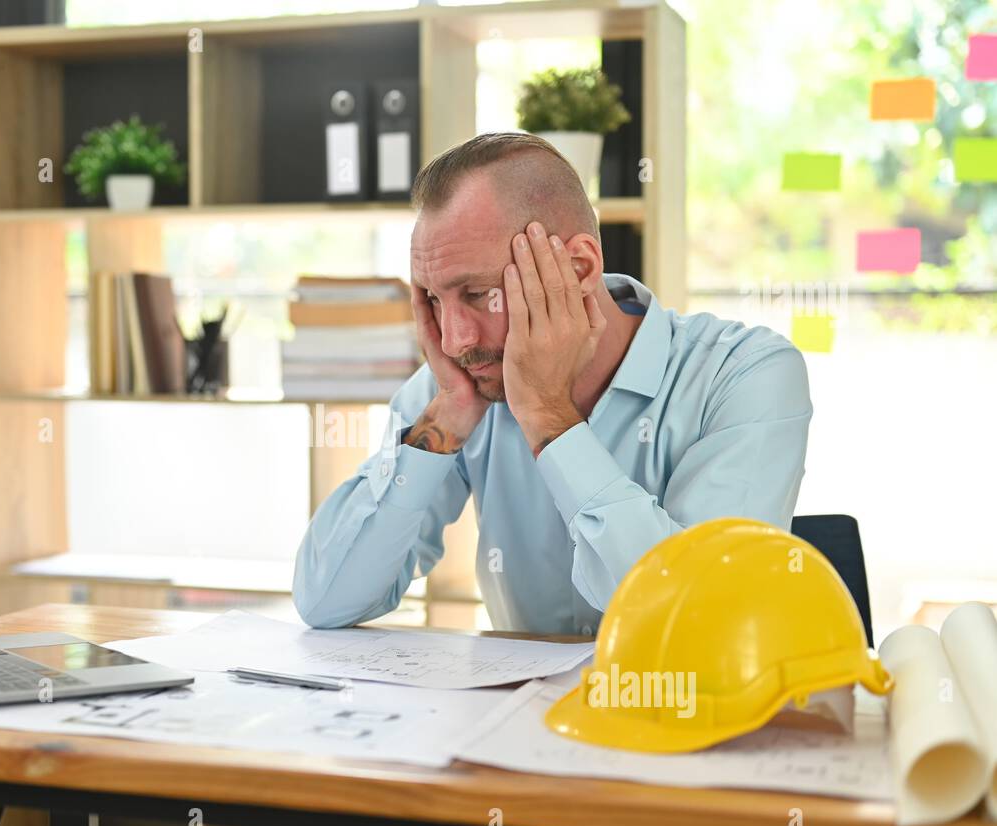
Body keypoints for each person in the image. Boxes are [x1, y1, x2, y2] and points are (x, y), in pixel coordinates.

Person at [293, 132, 812, 643]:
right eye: (432, 299)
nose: (453, 339)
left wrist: (548, 416)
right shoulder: (457, 385)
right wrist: (446, 420)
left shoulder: (746, 374)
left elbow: (695, 620)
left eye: (477, 294)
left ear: (579, 267)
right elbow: (325, 600)